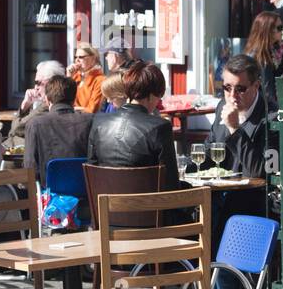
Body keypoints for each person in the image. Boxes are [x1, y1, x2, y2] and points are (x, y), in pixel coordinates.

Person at [206, 54, 269, 289]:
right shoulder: (223, 107)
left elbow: (259, 171)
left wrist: (234, 130)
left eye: (241, 88)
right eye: (227, 88)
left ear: (256, 86)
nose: (233, 95)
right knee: (196, 214)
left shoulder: (269, 116)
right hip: (224, 190)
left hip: (258, 198)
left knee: (222, 215)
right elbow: (212, 150)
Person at [87, 61, 179, 190]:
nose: (159, 102)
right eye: (160, 97)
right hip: (147, 207)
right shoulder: (160, 127)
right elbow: (170, 183)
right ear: (152, 95)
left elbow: (92, 171)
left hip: (105, 206)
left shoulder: (99, 122)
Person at [25, 75, 94, 186]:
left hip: (49, 195)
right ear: (74, 99)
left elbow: (30, 169)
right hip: (86, 191)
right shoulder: (90, 120)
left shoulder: (35, 124)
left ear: (47, 99)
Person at [7, 60, 66, 149]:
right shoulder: (43, 104)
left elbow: (15, 129)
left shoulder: (47, 106)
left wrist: (25, 105)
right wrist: (25, 106)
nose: (35, 87)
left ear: (52, 83)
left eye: (38, 83)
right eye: (35, 83)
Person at [244, 10, 283, 112]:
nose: (282, 31)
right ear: (268, 30)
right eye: (279, 28)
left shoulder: (278, 49)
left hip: (277, 104)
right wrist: (278, 112)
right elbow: (267, 88)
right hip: (265, 110)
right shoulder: (259, 55)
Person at [71, 43, 105, 113]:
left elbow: (92, 109)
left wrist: (73, 109)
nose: (77, 60)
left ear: (93, 59)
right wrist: (69, 78)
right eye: (75, 57)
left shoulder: (100, 80)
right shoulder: (74, 76)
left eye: (81, 57)